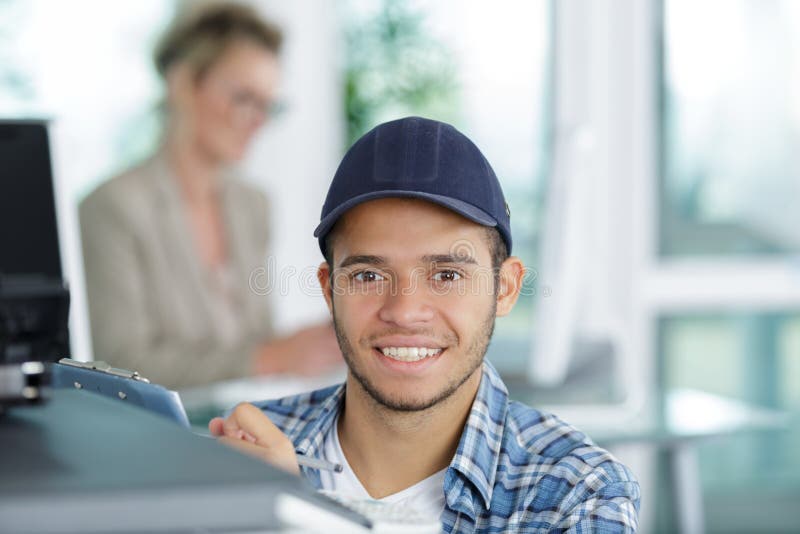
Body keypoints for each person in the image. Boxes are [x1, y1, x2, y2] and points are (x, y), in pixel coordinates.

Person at [209, 117, 640, 532]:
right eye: (368, 275)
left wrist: (289, 522)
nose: (405, 310)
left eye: (447, 275)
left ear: (505, 289)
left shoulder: (577, 493)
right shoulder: (248, 451)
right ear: (329, 290)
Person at [79, 3, 342, 390]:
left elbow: (256, 338)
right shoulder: (112, 207)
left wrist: (312, 345)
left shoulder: (253, 205)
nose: (258, 120)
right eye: (243, 97)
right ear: (183, 84)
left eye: (268, 105)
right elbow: (118, 363)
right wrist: (271, 357)